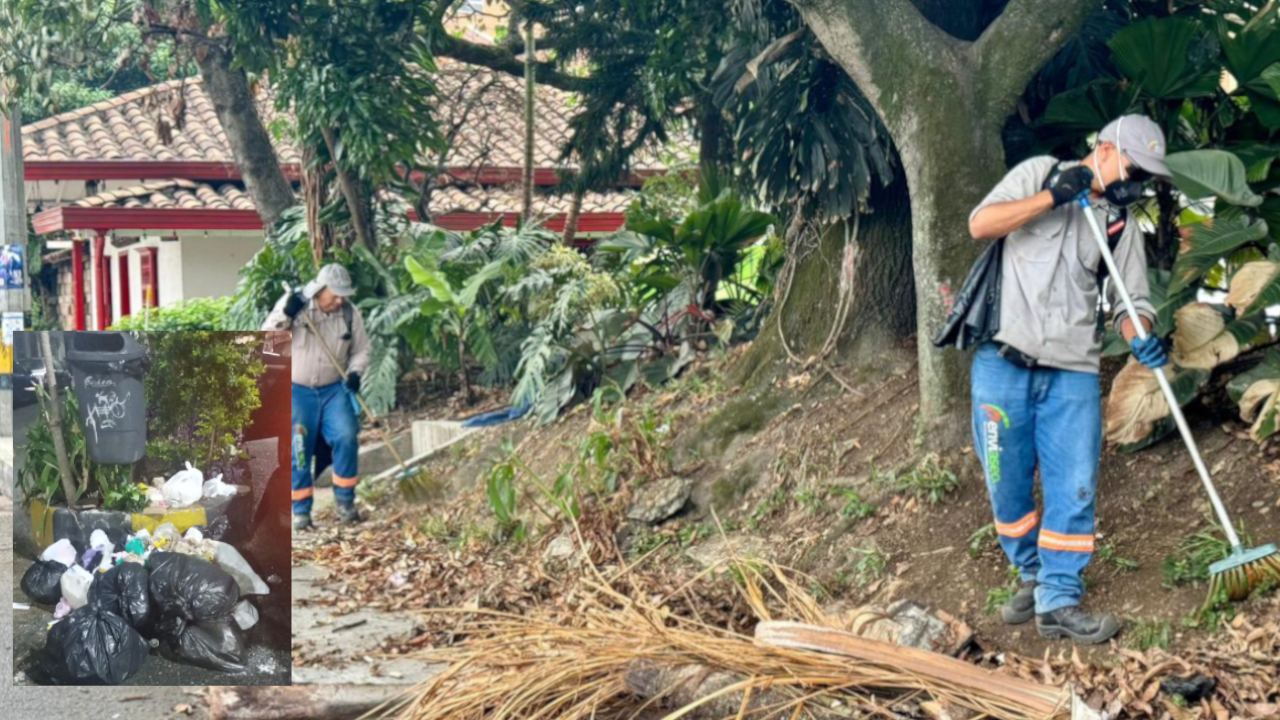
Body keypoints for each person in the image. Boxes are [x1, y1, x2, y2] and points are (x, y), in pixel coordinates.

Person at [966, 115, 1171, 645]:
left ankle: (1058, 597)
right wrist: (1052, 197)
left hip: (1073, 371)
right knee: (1004, 481)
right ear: (1104, 150)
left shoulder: (1119, 222)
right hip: (1002, 361)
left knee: (1074, 484)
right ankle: (1032, 573)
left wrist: (1140, 336)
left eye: (1146, 175)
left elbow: (1131, 302)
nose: (1137, 182)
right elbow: (981, 225)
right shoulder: (1038, 173)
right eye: (1134, 167)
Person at [263, 264, 371, 531]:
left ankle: (345, 503)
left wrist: (355, 372)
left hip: (334, 389)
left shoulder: (349, 313)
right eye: (335, 294)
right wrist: (286, 315)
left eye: (343, 295)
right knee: (299, 448)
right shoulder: (295, 304)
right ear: (320, 290)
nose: (340, 300)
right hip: (297, 391)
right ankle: (301, 511)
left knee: (346, 435)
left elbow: (361, 350)